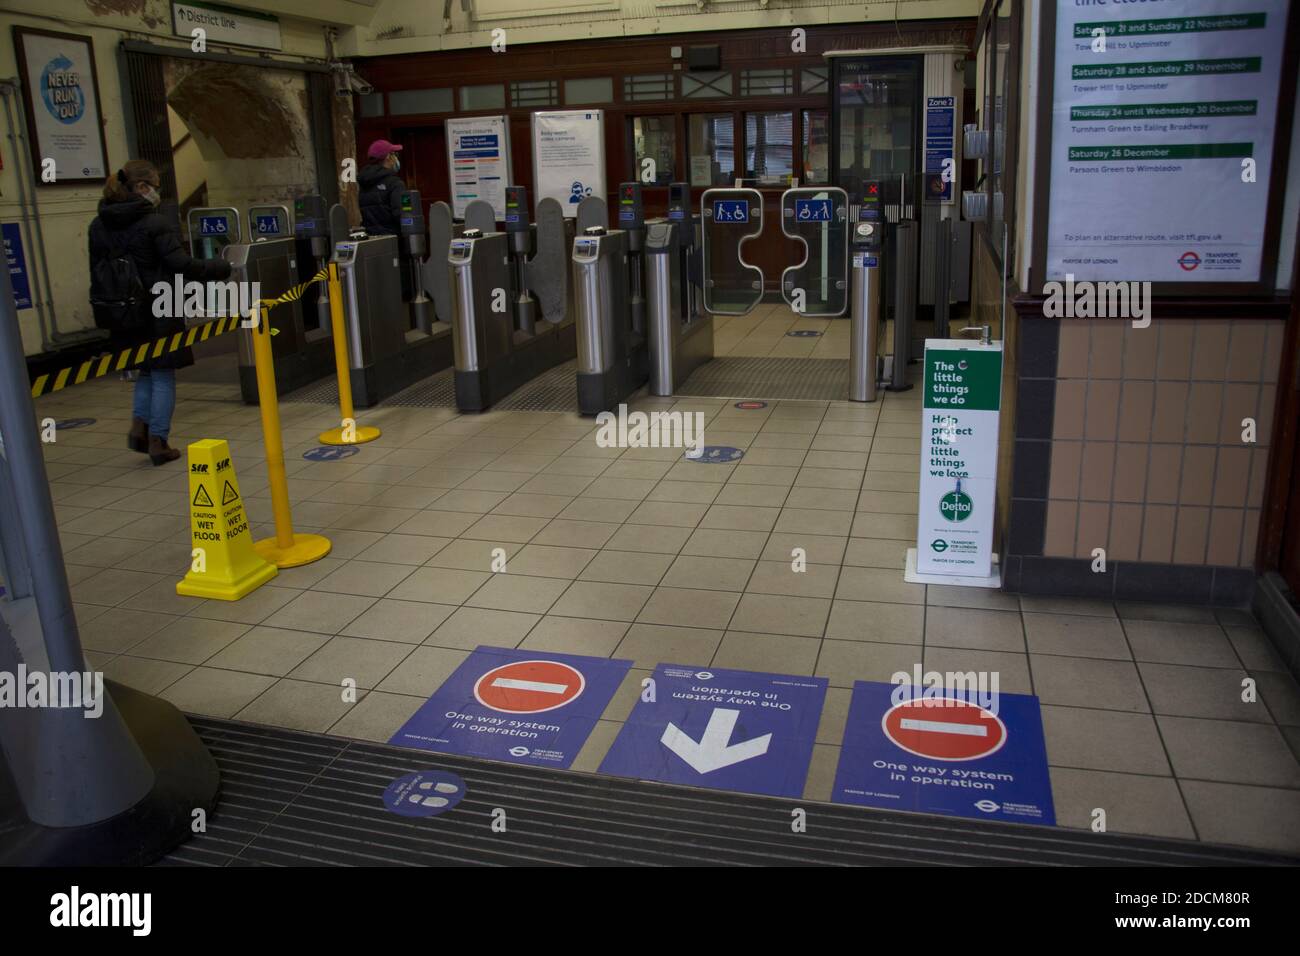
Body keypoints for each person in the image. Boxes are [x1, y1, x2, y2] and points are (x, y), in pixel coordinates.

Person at [88, 160, 233, 465]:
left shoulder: (98, 225)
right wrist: (220, 267)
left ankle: (139, 429)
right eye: (153, 187)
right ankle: (159, 441)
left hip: (123, 312)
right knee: (163, 374)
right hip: (158, 308)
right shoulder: (154, 224)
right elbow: (181, 264)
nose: (156, 193)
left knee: (144, 369)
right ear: (141, 188)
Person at [358, 139, 405, 236]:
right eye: (394, 154)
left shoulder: (364, 182)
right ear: (388, 157)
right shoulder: (395, 183)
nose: (396, 158)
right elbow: (403, 214)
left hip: (372, 240)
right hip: (394, 240)